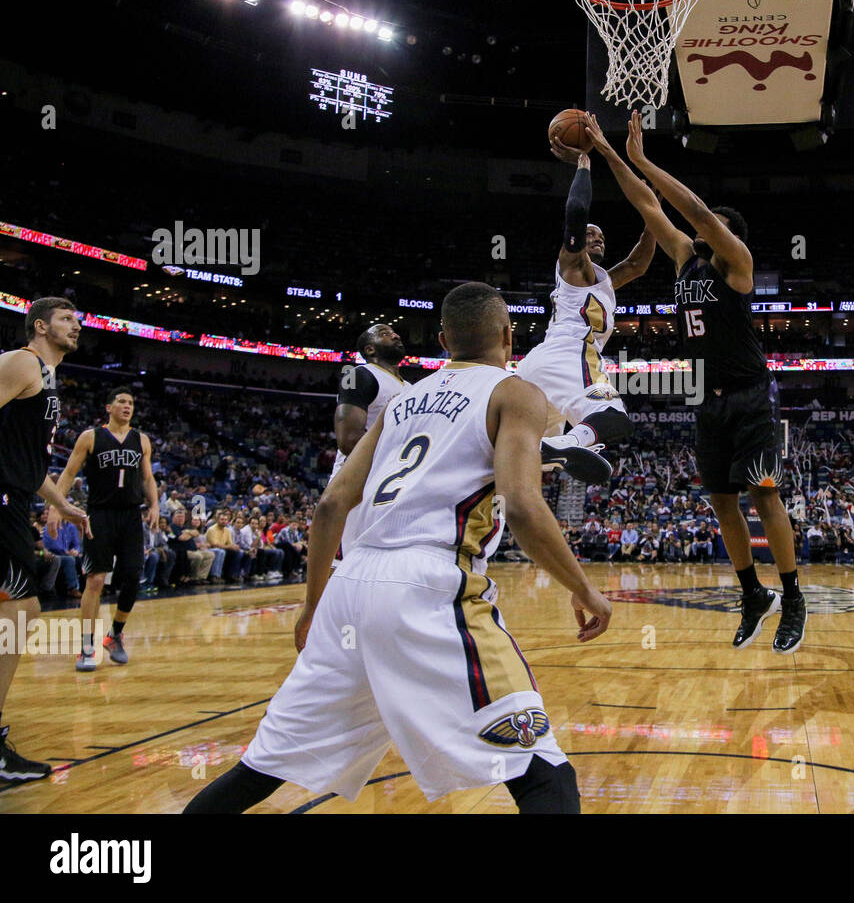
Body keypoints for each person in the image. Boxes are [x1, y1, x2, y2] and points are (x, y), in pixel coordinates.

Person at [184, 282, 611, 814]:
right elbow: (522, 507)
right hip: (430, 583)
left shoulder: (403, 401)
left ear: (441, 339)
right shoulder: (514, 391)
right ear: (508, 335)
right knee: (540, 768)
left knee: (261, 768)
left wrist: (314, 606)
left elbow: (330, 507)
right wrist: (584, 588)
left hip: (352, 583)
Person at [582, 110, 806, 653]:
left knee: (763, 491)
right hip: (705, 394)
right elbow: (646, 204)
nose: (698, 234)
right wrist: (613, 154)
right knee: (722, 502)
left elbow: (696, 211)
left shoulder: (736, 263)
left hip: (750, 392)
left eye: (710, 231)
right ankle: (753, 593)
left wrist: (643, 158)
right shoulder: (684, 259)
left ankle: (793, 596)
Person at [516, 139, 657, 484]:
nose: (596, 237)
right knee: (612, 417)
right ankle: (569, 444)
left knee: (532, 469)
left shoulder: (603, 280)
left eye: (601, 236)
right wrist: (584, 164)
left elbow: (638, 263)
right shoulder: (573, 264)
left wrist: (655, 210)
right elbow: (577, 212)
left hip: (538, 366)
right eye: (590, 234)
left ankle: (548, 456)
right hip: (570, 355)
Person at [0, 297, 91, 781]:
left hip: (16, 498)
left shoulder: (48, 380)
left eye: (78, 321)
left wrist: (62, 504)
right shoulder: (22, 362)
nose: (76, 326)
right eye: (65, 319)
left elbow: (27, 463)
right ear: (40, 325)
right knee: (22, 608)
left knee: (15, 609)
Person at [54, 386, 159, 669]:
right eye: (122, 402)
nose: (127, 406)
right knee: (96, 580)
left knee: (133, 577)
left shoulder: (142, 440)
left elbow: (148, 479)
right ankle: (87, 646)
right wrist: (56, 505)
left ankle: (115, 635)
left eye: (131, 403)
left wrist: (155, 505)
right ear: (108, 408)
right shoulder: (90, 437)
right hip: (100, 515)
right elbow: (68, 473)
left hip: (130, 516)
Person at [332, 324, 408, 570]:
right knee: (347, 563)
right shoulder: (358, 374)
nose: (396, 334)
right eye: (385, 333)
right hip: (359, 481)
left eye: (394, 331)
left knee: (385, 563)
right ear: (370, 349)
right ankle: (326, 609)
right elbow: (348, 439)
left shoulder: (411, 389)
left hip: (394, 482)